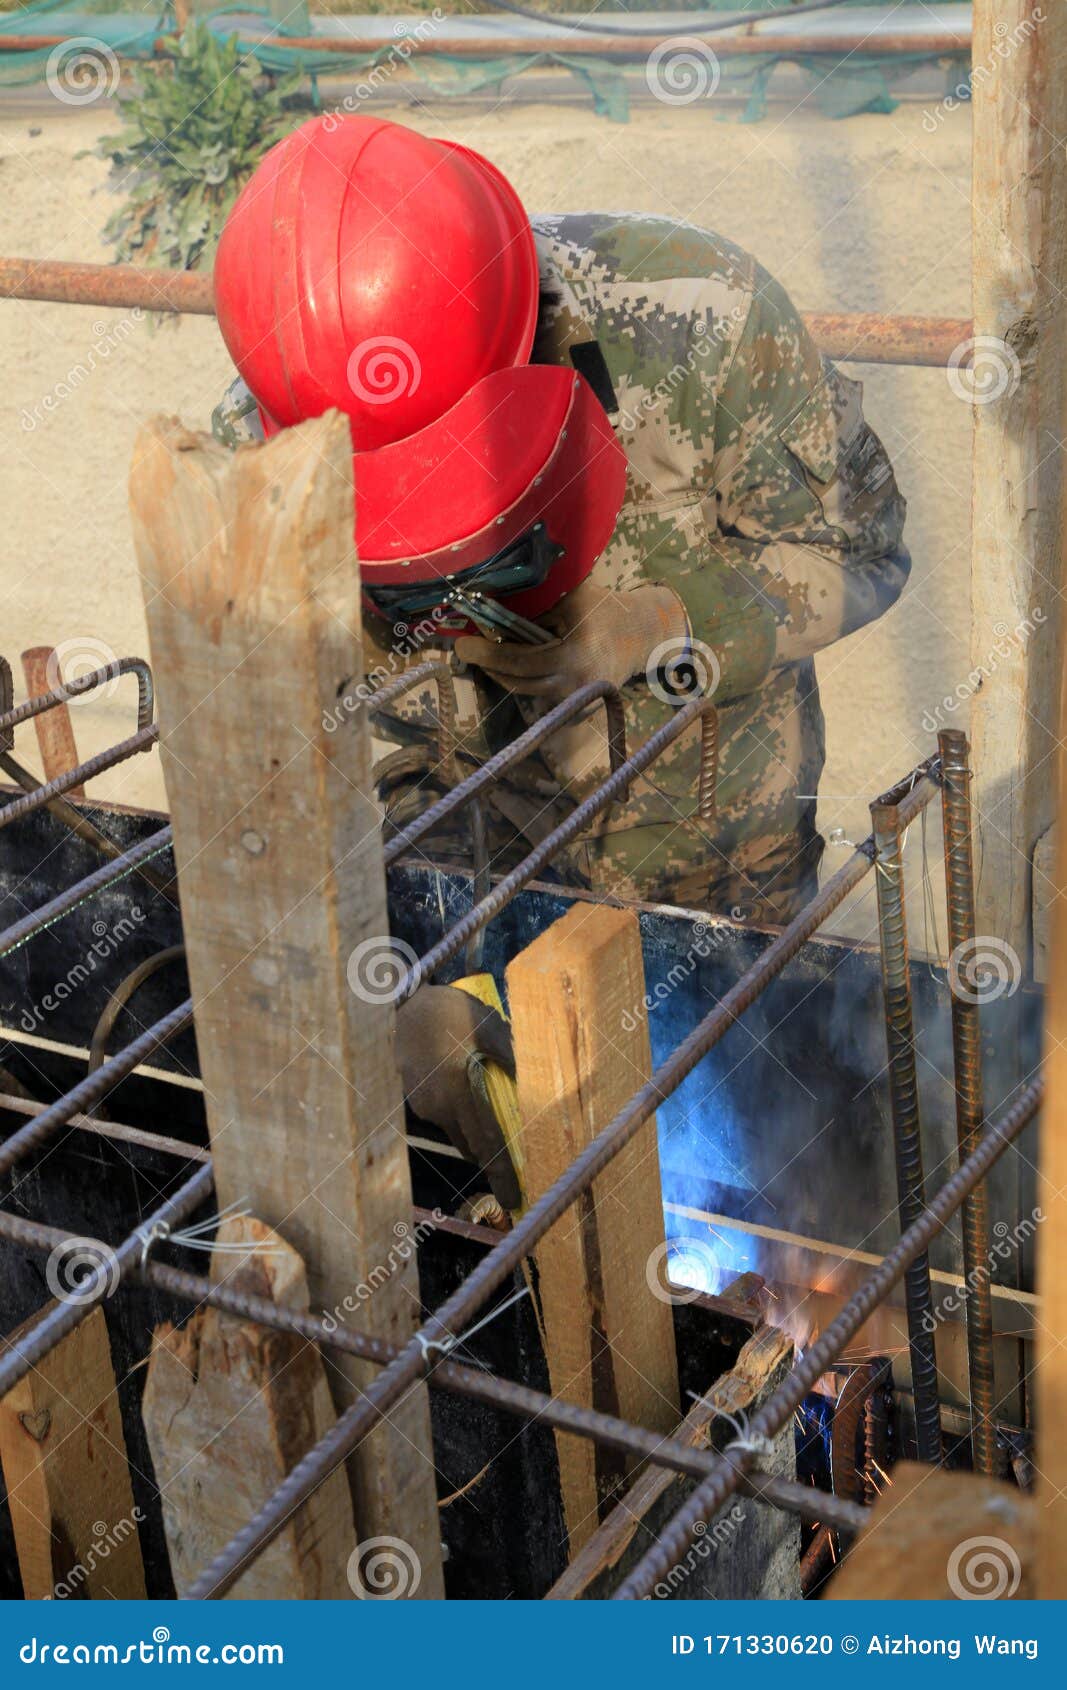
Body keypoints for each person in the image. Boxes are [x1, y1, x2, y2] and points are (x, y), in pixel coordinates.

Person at [211, 115, 910, 1193]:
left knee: (750, 1182)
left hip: (714, 876)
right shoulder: (284, 419)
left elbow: (858, 547)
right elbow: (266, 679)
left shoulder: (697, 319)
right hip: (466, 876)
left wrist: (662, 622)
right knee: (517, 1181)